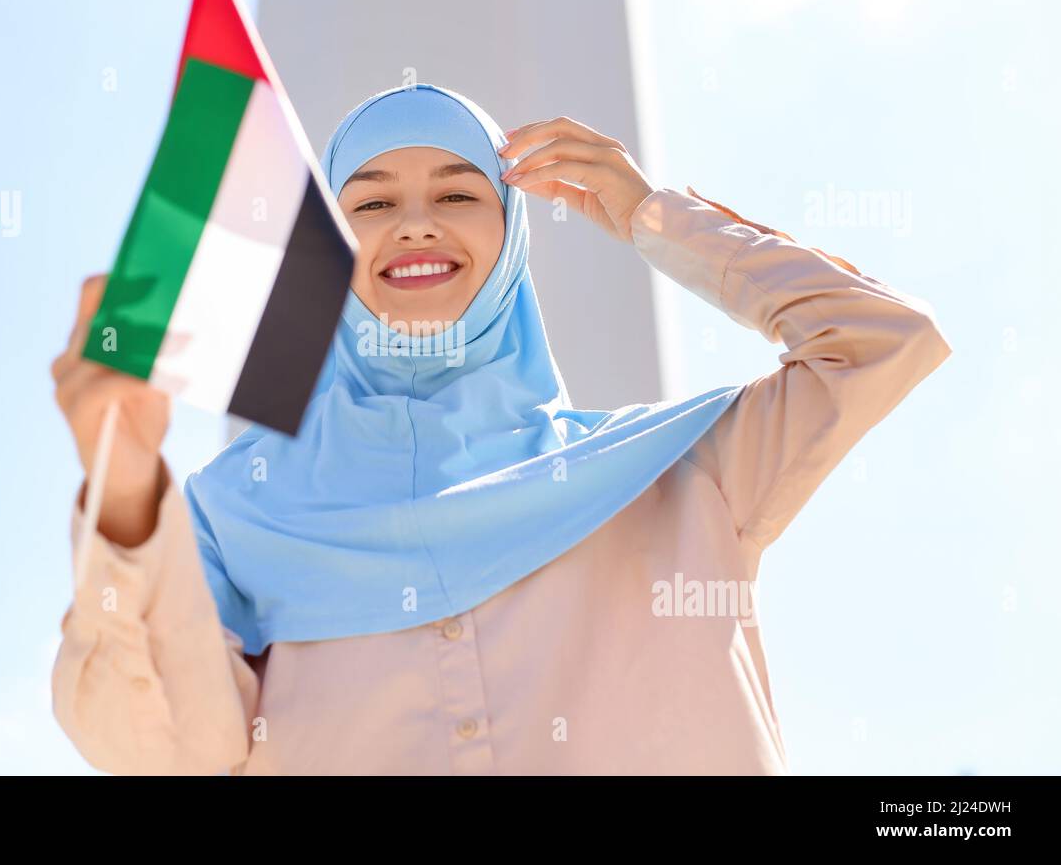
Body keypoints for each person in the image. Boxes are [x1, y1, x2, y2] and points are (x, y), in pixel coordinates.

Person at [49, 83, 951, 774]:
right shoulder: (225, 517)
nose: (413, 226)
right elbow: (163, 750)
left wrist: (651, 218)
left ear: (514, 229)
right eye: (367, 204)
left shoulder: (675, 477)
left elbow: (881, 342)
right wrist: (124, 491)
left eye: (458, 195)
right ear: (325, 247)